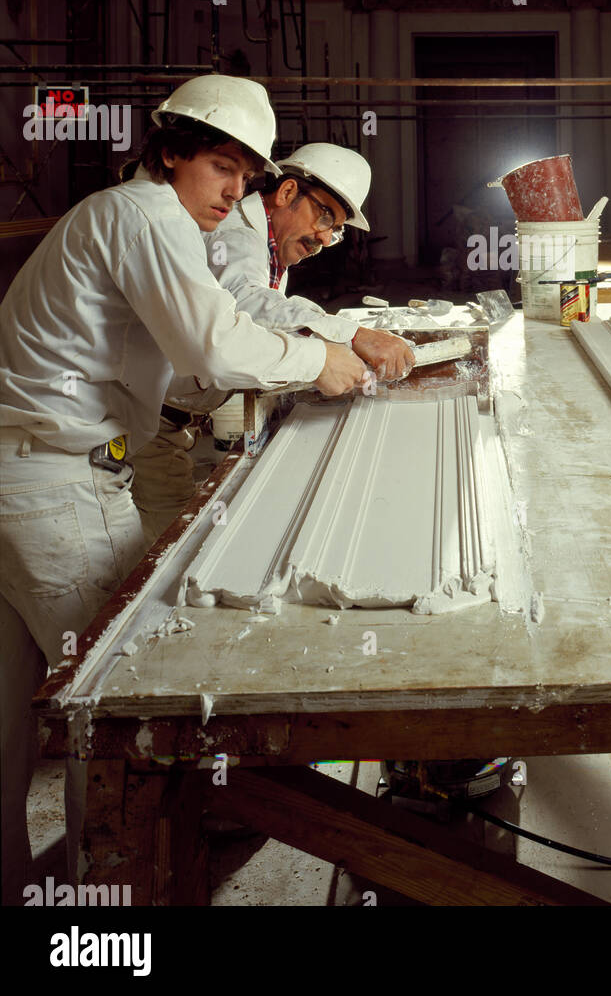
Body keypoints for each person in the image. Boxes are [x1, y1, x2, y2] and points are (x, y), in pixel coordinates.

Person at [0, 74, 367, 901]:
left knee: (11, 724)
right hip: (54, 484)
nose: (235, 191)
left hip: (16, 470)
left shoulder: (122, 214)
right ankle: (112, 908)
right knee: (128, 705)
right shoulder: (147, 215)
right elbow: (213, 344)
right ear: (169, 153)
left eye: (246, 175)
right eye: (219, 168)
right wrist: (323, 358)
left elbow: (205, 333)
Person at [131, 143, 414, 538]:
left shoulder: (270, 247)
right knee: (173, 550)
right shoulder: (237, 234)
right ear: (286, 193)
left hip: (176, 420)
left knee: (180, 535)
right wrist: (351, 334)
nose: (324, 238)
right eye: (325, 216)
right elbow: (246, 303)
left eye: (336, 231)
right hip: (145, 424)